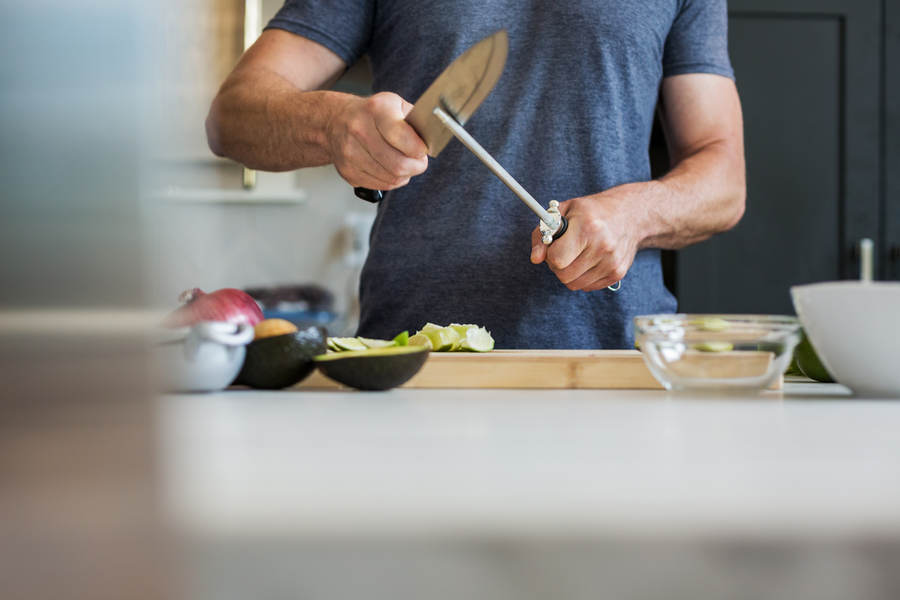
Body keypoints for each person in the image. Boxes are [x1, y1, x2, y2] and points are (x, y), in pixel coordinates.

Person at [206, 0, 745, 349]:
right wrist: (334, 124)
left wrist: (636, 215)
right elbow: (233, 116)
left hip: (617, 364)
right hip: (415, 360)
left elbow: (724, 178)